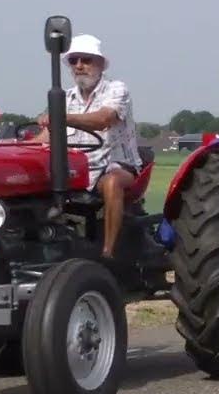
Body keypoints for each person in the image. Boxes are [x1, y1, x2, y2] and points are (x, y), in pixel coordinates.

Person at [35, 34, 140, 260]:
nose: (79, 66)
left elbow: (103, 119)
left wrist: (60, 117)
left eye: (86, 59)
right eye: (74, 61)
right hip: (76, 171)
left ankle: (107, 253)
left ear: (100, 63)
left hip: (114, 165)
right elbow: (45, 137)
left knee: (112, 182)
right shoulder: (66, 98)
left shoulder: (116, 89)